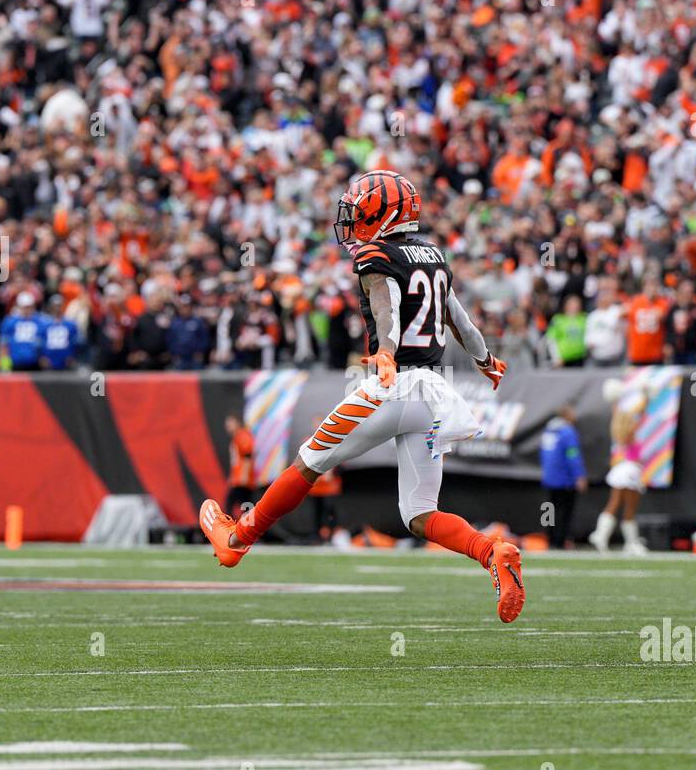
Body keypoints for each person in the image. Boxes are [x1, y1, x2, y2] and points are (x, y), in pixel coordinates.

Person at [196, 171, 524, 622]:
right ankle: (492, 551)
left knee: (310, 461)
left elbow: (387, 304)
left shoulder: (377, 254)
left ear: (384, 213)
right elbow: (458, 319)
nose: (352, 220)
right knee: (420, 513)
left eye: (359, 211)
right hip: (432, 395)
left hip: (394, 385)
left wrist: (385, 352)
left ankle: (236, 542)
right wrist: (486, 360)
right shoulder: (432, 254)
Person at [589, 379, 648, 555]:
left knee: (615, 504)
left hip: (624, 470)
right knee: (629, 507)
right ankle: (629, 542)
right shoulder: (629, 434)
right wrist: (646, 397)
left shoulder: (620, 431)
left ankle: (602, 535)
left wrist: (615, 401)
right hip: (630, 471)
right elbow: (641, 414)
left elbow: (621, 414)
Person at [539, 405, 587, 549]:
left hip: (549, 477)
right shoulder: (567, 432)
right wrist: (579, 476)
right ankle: (559, 541)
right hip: (564, 478)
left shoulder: (548, 431)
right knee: (564, 511)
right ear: (567, 415)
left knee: (550, 510)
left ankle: (550, 539)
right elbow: (573, 456)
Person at [224, 415, 257, 520]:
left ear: (237, 422)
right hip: (239, 478)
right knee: (246, 505)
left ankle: (232, 527)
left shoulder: (242, 435)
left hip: (242, 479)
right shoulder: (237, 437)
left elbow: (247, 455)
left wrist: (244, 476)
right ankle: (250, 527)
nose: (227, 426)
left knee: (233, 504)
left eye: (230, 423)